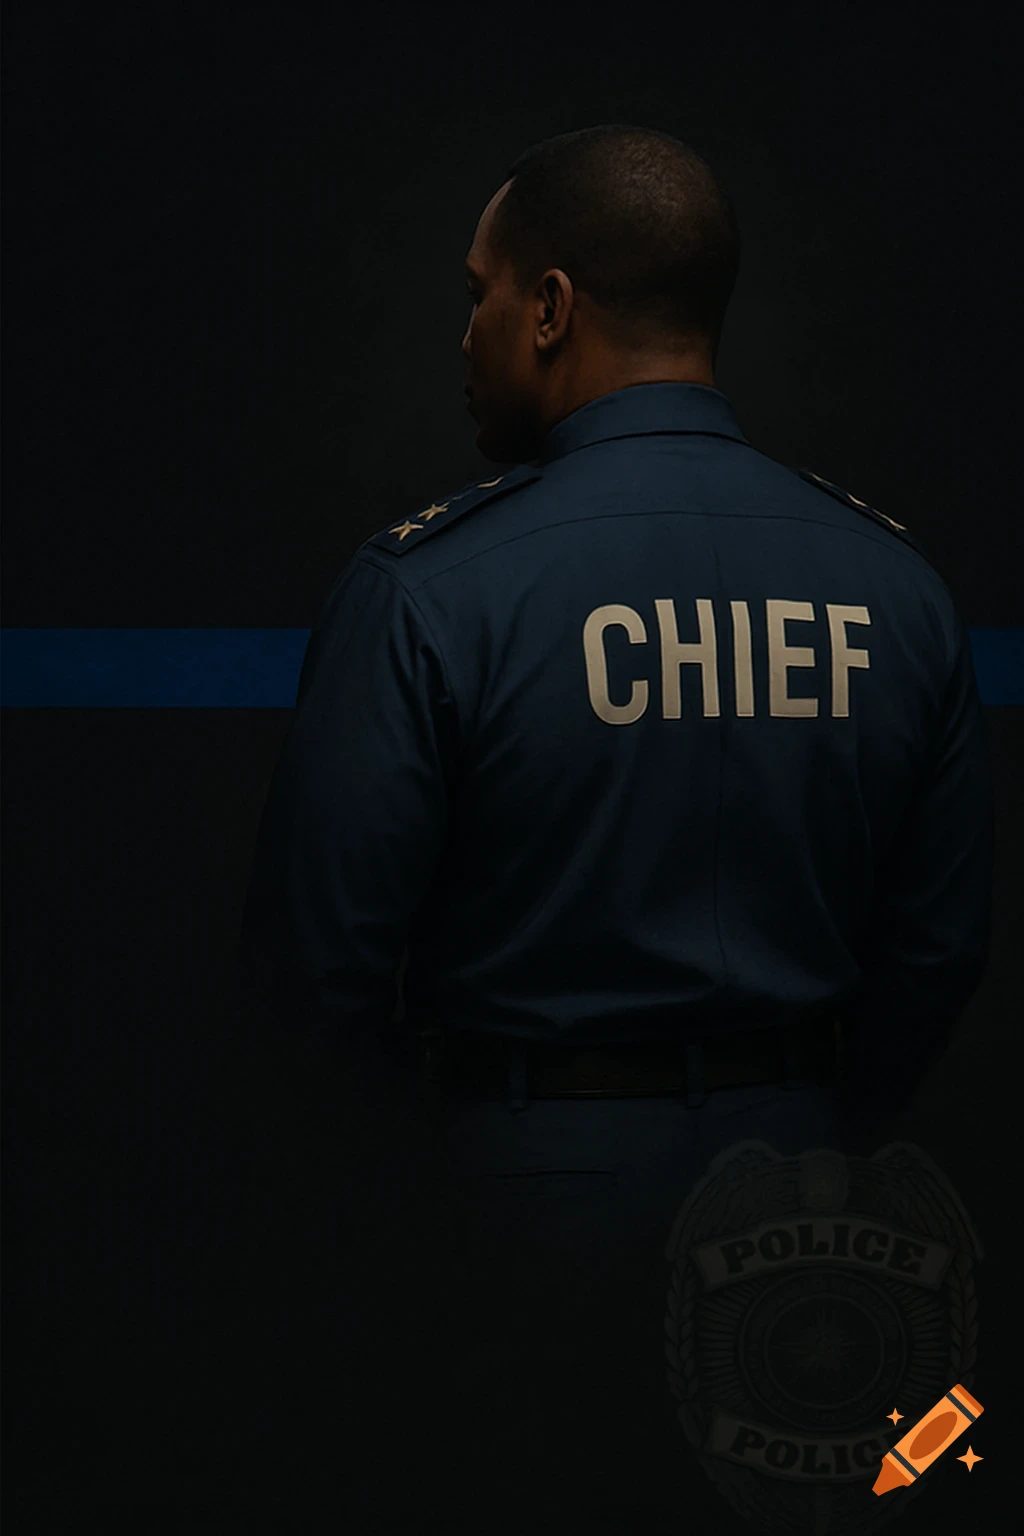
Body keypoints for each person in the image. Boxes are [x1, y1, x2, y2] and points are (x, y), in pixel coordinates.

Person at [234, 125, 993, 1534]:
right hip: (813, 1229)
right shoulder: (895, 587)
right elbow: (939, 952)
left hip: (511, 1218)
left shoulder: (428, 593)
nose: (463, 331)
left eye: (478, 292)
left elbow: (313, 982)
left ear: (552, 308)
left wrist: (449, 1169)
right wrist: (804, 1120)